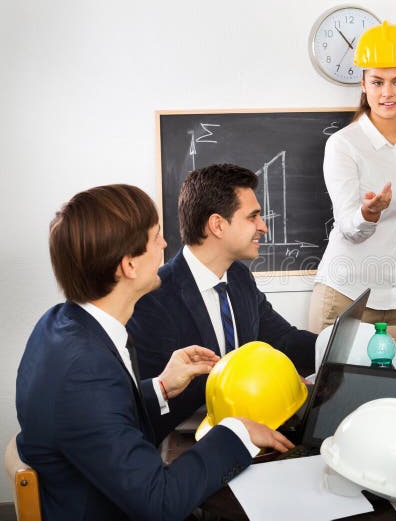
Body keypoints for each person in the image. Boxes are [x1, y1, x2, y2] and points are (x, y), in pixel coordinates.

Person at [15, 184, 294, 521]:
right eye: (156, 237)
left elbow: (98, 421)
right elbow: (159, 503)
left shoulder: (61, 324)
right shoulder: (85, 370)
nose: (165, 244)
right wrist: (237, 431)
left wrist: (160, 387)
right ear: (129, 265)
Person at [128, 164, 316, 441]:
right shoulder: (155, 295)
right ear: (217, 225)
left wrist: (342, 348)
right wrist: (277, 380)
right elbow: (161, 395)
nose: (263, 227)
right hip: (185, 440)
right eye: (253, 217)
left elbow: (283, 338)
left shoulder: (239, 276)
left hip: (251, 431)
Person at [307, 20, 396, 333]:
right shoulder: (343, 145)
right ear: (363, 84)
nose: (387, 92)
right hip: (348, 297)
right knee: (331, 384)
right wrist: (368, 214)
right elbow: (349, 226)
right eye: (377, 82)